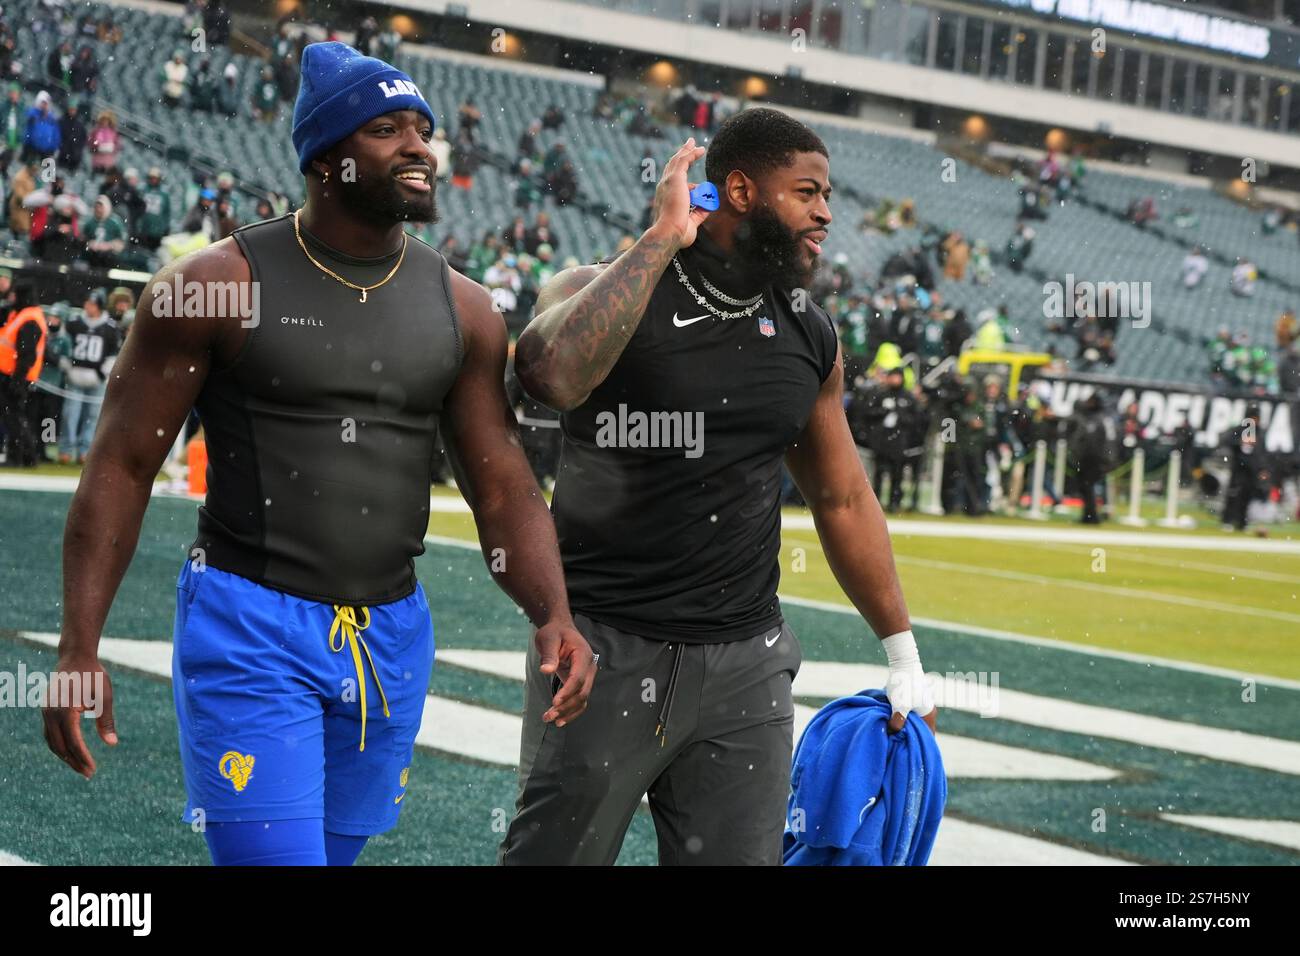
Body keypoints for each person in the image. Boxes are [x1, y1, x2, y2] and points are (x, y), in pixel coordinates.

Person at [42, 41, 595, 868]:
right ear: (326, 156)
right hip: (250, 624)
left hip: (391, 637)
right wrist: (79, 647)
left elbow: (504, 483)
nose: (419, 147)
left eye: (423, 129)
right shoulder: (214, 285)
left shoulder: (465, 308)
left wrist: (552, 612)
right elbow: (120, 466)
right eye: (387, 130)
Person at [503, 109, 937, 865]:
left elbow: (842, 499)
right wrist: (662, 238)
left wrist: (903, 653)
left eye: (826, 194)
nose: (826, 212)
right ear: (740, 190)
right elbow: (550, 375)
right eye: (807, 192)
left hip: (747, 664)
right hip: (603, 649)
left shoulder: (808, 332)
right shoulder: (609, 285)